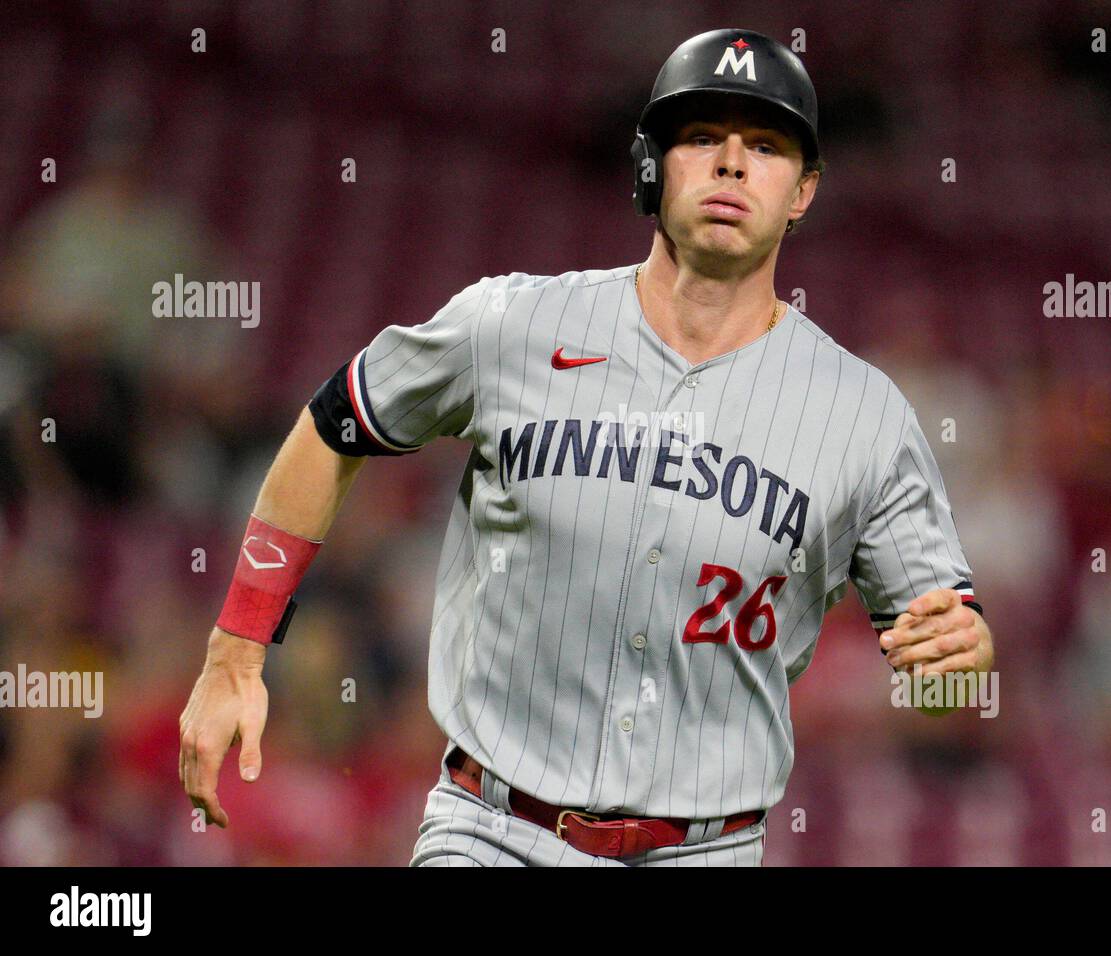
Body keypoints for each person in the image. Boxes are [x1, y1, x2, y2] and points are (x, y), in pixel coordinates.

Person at [179, 28, 993, 867]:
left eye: (767, 145)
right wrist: (235, 651)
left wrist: (964, 664)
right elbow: (334, 424)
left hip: (706, 852)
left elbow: (944, 675)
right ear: (652, 165)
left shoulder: (865, 416)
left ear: (804, 191)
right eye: (701, 137)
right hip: (492, 829)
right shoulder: (512, 326)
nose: (731, 164)